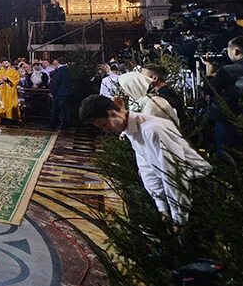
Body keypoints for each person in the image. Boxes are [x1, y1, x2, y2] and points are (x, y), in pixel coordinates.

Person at [79, 95, 211, 225]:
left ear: (112, 113)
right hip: (180, 191)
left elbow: (175, 174)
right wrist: (163, 209)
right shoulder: (132, 129)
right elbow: (148, 170)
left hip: (197, 188)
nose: (105, 130)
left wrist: (179, 220)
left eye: (104, 125)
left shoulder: (152, 130)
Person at [205, 34, 243, 158]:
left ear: (236, 51)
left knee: (229, 160)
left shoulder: (228, 71)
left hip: (231, 126)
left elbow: (210, 91)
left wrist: (210, 73)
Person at [48, 58, 73, 130]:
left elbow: (56, 83)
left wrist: (52, 93)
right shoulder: (69, 70)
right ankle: (66, 125)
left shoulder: (58, 71)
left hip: (59, 94)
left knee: (57, 110)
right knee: (66, 110)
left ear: (58, 62)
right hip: (68, 93)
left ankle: (54, 125)